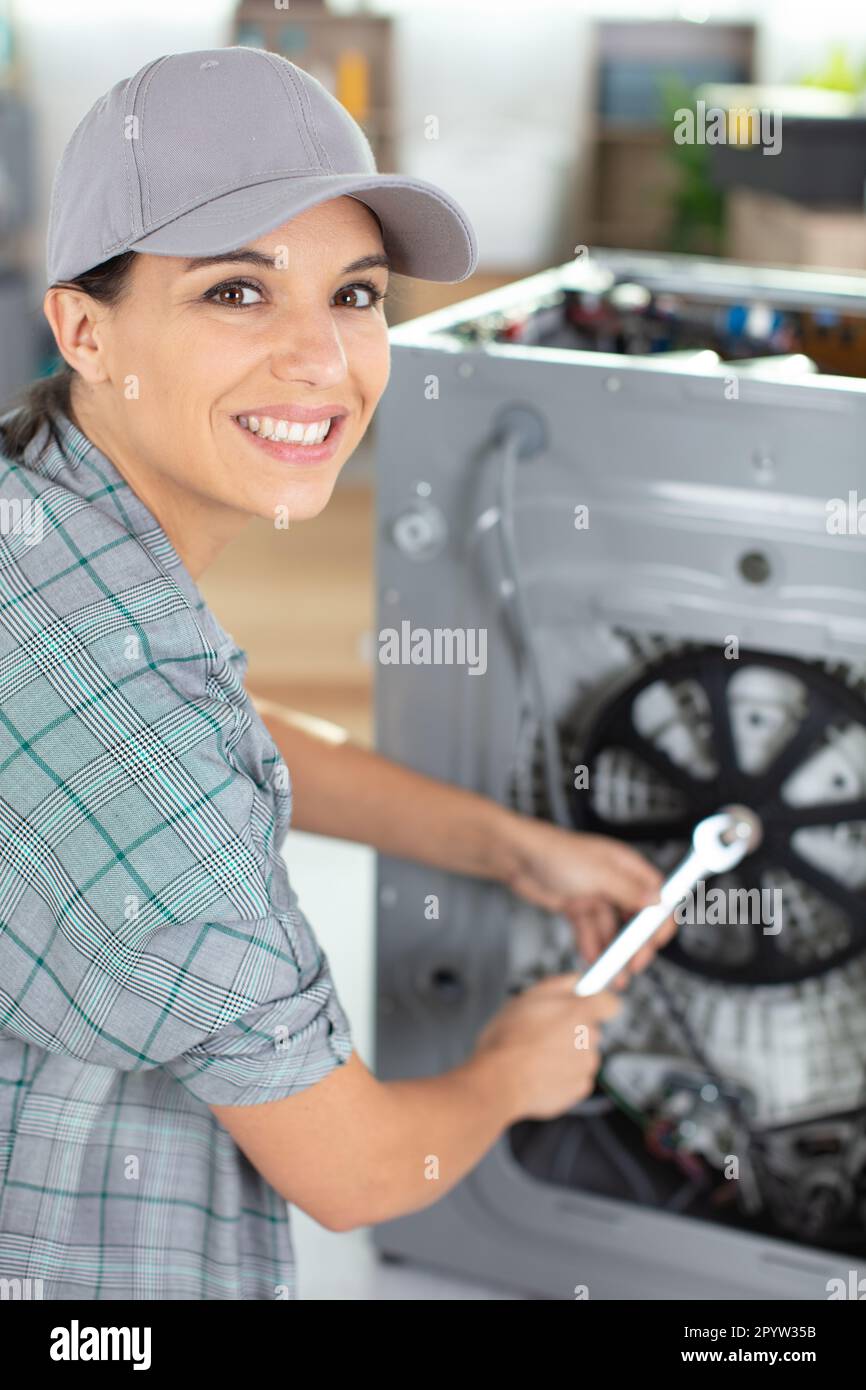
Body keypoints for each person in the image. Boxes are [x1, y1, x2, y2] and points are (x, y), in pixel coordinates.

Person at [0, 47, 673, 1300]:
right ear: (84, 326)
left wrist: (498, 843)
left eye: (354, 294)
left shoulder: (40, 534)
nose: (321, 359)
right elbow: (357, 1169)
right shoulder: (159, 786)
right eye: (236, 296)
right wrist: (517, 1070)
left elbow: (211, 737)